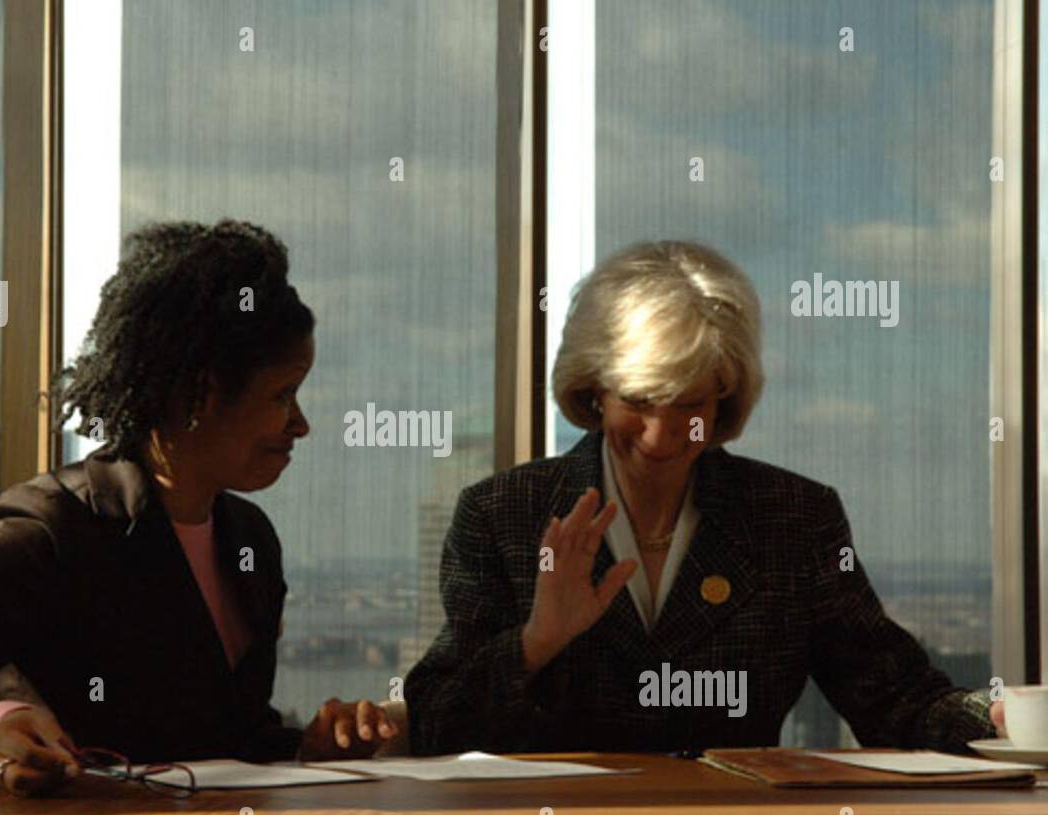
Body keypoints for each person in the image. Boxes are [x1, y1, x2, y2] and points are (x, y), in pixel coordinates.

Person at [0, 220, 397, 796]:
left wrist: (306, 748)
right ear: (197, 396)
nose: (301, 424)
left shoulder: (249, 539)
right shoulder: (46, 532)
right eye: (282, 396)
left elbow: (224, 744)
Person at [405, 239, 1005, 755]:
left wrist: (1000, 718)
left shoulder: (793, 518)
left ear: (726, 398)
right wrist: (535, 643)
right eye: (639, 402)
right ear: (593, 391)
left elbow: (894, 698)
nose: (662, 436)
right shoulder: (501, 515)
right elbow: (437, 727)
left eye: (690, 405)